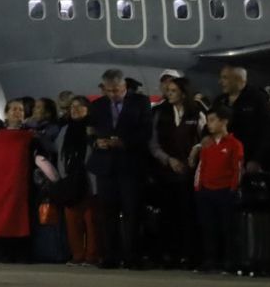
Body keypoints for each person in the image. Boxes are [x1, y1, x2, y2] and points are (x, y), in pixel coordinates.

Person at [88, 68, 154, 269]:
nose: (112, 95)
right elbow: (89, 132)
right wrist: (96, 143)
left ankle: (133, 256)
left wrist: (123, 142)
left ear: (124, 86)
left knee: (132, 212)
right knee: (107, 213)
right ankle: (110, 256)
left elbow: (146, 131)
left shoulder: (140, 102)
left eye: (116, 90)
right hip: (106, 166)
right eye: (108, 91)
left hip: (130, 165)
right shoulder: (98, 105)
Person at [148, 76, 206, 268]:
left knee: (188, 214)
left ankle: (188, 255)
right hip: (166, 171)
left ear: (183, 92)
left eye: (173, 90)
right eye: (168, 90)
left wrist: (195, 152)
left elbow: (204, 137)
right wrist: (168, 160)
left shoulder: (196, 111)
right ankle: (168, 254)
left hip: (190, 171)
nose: (169, 93)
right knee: (168, 215)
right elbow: (153, 143)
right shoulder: (159, 112)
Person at [191, 107, 244, 274]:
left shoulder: (234, 144)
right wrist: (198, 187)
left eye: (213, 120)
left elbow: (237, 168)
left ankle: (229, 261)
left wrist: (233, 188)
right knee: (208, 227)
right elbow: (201, 166)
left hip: (224, 191)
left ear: (224, 121)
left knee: (227, 228)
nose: (209, 124)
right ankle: (210, 259)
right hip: (206, 190)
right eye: (208, 120)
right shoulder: (207, 144)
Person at [57, 96, 100, 266]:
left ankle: (92, 255)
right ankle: (77, 254)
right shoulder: (65, 130)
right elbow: (59, 153)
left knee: (92, 220)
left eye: (79, 106)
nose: (75, 110)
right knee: (72, 219)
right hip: (70, 179)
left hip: (90, 180)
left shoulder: (93, 128)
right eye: (72, 107)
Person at [216, 65, 270, 171]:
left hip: (246, 160)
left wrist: (256, 159)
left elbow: (265, 131)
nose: (220, 82)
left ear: (238, 79)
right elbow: (211, 125)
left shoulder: (257, 99)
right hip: (223, 158)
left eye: (225, 78)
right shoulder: (220, 101)